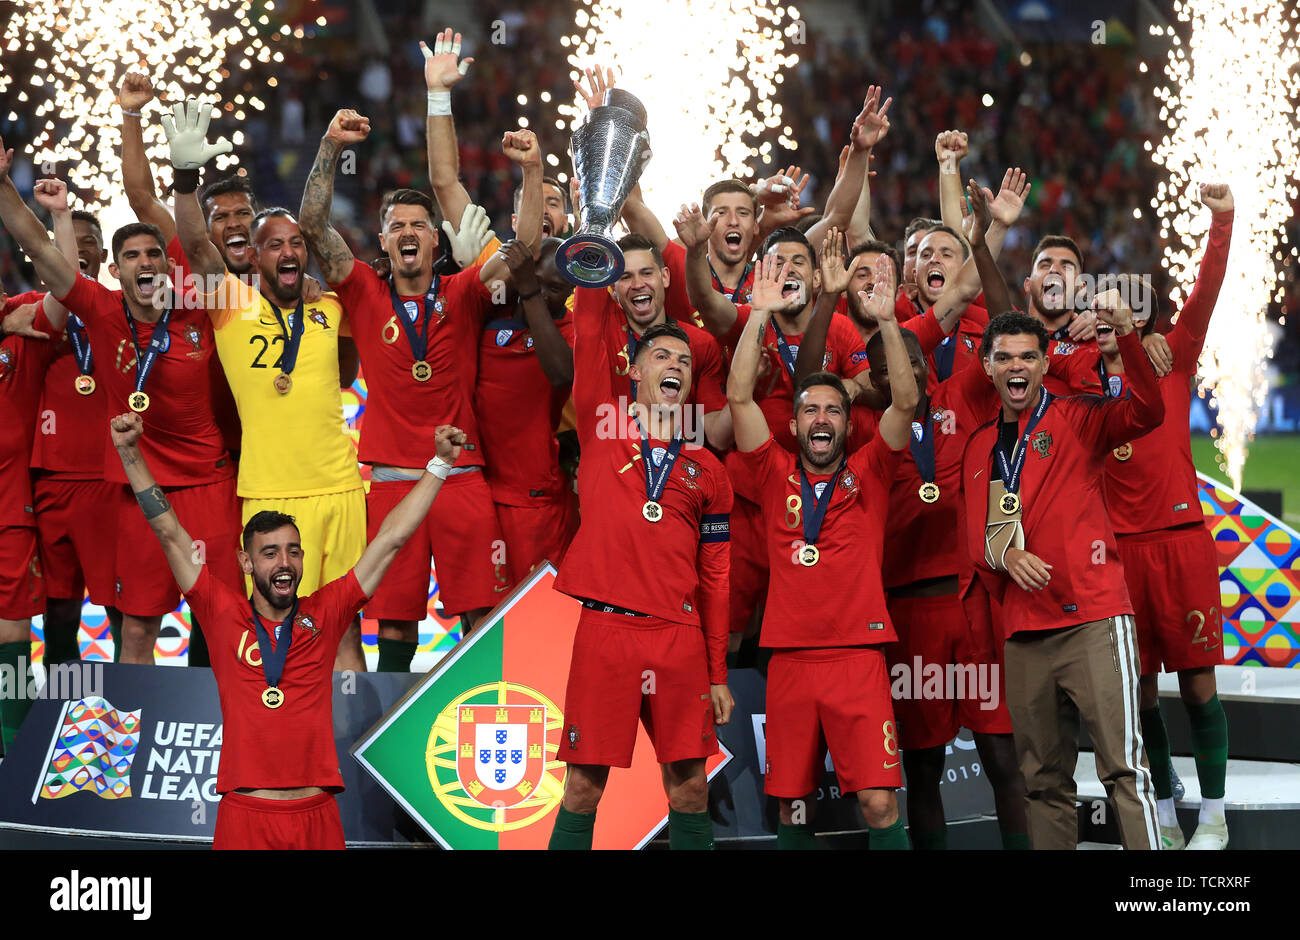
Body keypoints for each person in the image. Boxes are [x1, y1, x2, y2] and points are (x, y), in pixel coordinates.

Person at [109, 408, 467, 848]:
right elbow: (168, 531)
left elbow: (390, 540)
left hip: (316, 816)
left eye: (293, 552)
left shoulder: (328, 610)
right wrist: (129, 453)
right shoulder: (221, 612)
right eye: (270, 552)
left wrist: (440, 465)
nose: (284, 563)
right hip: (246, 817)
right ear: (246, 562)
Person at [298, 107, 537, 668]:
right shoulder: (361, 289)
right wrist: (330, 144)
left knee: (483, 620)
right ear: (383, 240)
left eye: (418, 225)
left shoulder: (463, 292)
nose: (408, 233)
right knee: (396, 628)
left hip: (460, 480)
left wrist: (531, 171)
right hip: (390, 484)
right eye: (397, 225)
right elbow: (312, 226)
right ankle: (385, 739)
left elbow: (522, 250)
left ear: (436, 240)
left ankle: (478, 728)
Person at [0, 134, 244, 667]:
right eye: (131, 255)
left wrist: (184, 183)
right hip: (141, 491)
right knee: (136, 630)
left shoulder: (199, 308)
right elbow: (41, 250)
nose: (144, 261)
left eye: (154, 252)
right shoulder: (102, 311)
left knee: (225, 619)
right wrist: (3, 185)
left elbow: (201, 249)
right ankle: (137, 737)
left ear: (167, 265)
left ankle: (226, 733)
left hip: (209, 485)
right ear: (115, 271)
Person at [1049, 185, 1236, 850]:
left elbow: (1206, 293)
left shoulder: (1170, 358)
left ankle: (1213, 813)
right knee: (1142, 694)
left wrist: (1223, 219)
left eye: (1116, 307)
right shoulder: (1071, 380)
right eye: (1094, 311)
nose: (1104, 318)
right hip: (1117, 556)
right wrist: (1060, 332)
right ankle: (1159, 806)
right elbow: (1020, 356)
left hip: (1181, 543)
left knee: (1198, 683)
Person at [727, 251, 914, 849]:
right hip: (789, 661)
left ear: (849, 420)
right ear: (795, 424)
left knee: (880, 802)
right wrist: (757, 315)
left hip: (858, 657)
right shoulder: (771, 471)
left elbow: (905, 405)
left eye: (834, 408)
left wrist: (887, 322)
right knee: (793, 810)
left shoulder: (872, 469)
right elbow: (738, 401)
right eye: (810, 409)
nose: (822, 418)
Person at [962, 305, 1165, 849]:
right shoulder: (979, 445)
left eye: (1028, 355)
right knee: (1043, 784)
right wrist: (1006, 557)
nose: (1016, 366)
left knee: (1124, 771)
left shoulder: (1081, 416)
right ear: (987, 368)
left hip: (1094, 619)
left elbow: (1148, 411)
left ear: (1044, 361)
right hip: (1025, 631)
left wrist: (1126, 333)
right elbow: (978, 541)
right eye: (1003, 358)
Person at [548, 309, 733, 850]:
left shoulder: (710, 472)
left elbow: (716, 576)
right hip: (607, 631)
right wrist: (591, 260)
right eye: (661, 355)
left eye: (683, 361)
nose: (674, 365)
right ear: (634, 371)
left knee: (690, 787)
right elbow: (586, 337)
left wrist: (718, 673)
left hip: (679, 637)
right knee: (583, 786)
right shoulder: (602, 425)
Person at [482, 239, 578, 585]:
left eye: (554, 288)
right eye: (534, 279)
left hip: (532, 498)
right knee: (479, 612)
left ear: (569, 291)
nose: (540, 291)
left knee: (535, 606)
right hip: (476, 491)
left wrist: (529, 290)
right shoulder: (491, 311)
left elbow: (561, 374)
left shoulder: (572, 332)